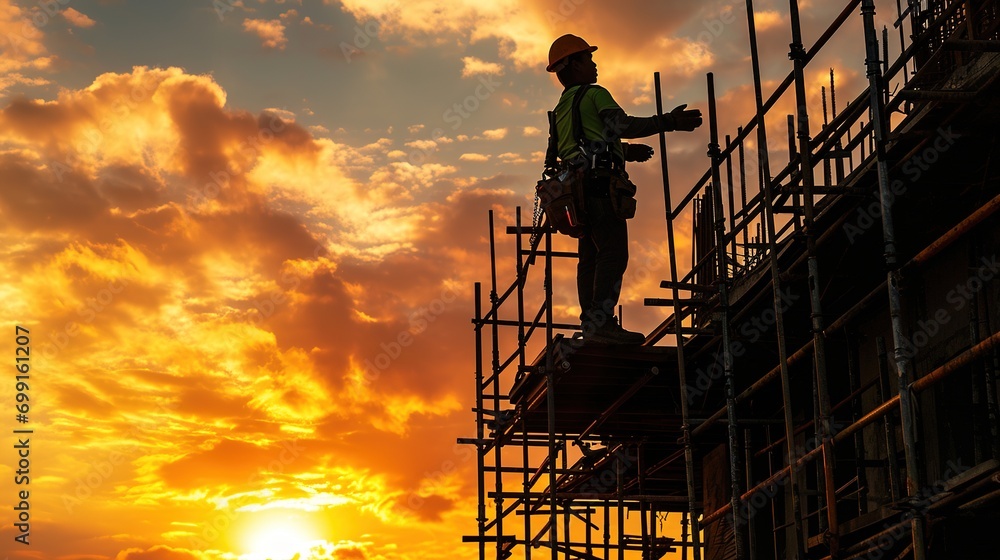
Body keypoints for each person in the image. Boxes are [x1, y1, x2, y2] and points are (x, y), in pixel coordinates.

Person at [545, 34, 703, 345]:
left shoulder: (562, 108)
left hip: (576, 193)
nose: (595, 64)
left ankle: (591, 323)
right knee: (614, 252)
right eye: (588, 59)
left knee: (590, 255)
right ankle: (602, 323)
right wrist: (668, 121)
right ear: (574, 66)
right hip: (600, 187)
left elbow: (584, 143)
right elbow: (622, 125)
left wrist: (627, 153)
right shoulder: (594, 94)